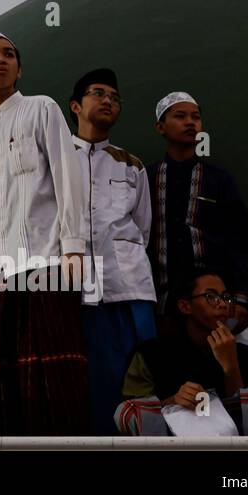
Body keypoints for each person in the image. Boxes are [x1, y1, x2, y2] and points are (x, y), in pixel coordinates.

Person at [0, 32, 91, 435]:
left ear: (19, 68)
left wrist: (73, 248)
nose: (0, 59)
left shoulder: (42, 109)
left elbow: (68, 180)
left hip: (47, 264)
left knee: (54, 380)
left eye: (9, 54)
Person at [68, 68, 158, 434]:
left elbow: (144, 228)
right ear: (75, 105)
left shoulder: (131, 165)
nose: (108, 101)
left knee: (143, 377)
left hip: (131, 289)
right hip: (78, 292)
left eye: (115, 97)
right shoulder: (56, 161)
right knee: (92, 381)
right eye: (98, 93)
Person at [115, 269, 248, 436]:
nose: (222, 304)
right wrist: (171, 402)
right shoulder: (152, 354)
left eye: (226, 298)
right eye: (211, 297)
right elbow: (133, 415)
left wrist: (231, 367)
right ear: (185, 306)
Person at [146, 92, 248, 328]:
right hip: (160, 301)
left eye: (195, 117)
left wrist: (241, 297)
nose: (190, 122)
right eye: (180, 116)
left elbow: (240, 239)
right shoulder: (146, 178)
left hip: (215, 303)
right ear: (160, 127)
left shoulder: (218, 179)